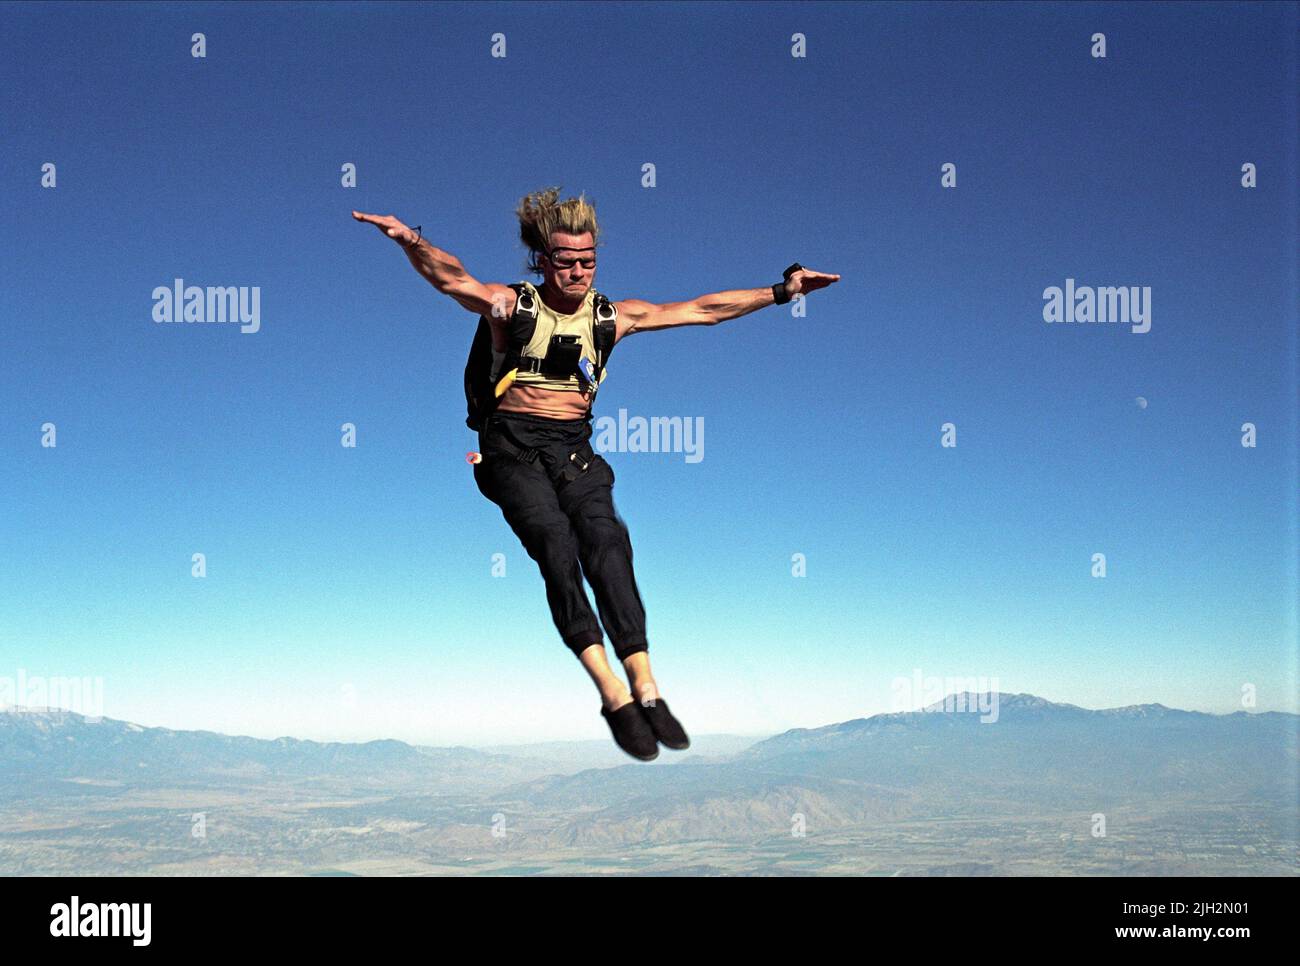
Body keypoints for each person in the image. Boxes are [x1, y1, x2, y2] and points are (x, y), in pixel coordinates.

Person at [353, 187, 840, 760]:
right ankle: (612, 694)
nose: (579, 270)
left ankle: (647, 689)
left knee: (607, 543)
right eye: (566, 260)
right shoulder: (515, 306)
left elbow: (703, 310)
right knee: (556, 546)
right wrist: (412, 240)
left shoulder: (611, 317)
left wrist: (782, 290)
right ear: (543, 259)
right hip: (510, 449)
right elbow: (455, 280)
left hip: (574, 449)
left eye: (588, 260)